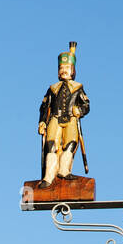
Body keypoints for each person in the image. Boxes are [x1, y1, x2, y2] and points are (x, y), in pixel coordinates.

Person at [38, 48, 90, 187]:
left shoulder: (78, 87)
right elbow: (44, 106)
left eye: (66, 67)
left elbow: (86, 104)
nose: (63, 70)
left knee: (70, 144)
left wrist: (79, 110)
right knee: (51, 146)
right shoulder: (52, 88)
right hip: (55, 118)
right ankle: (48, 176)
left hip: (71, 119)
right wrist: (42, 121)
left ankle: (64, 170)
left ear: (72, 69)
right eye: (61, 68)